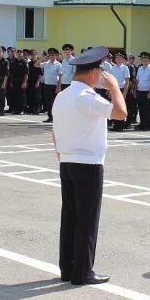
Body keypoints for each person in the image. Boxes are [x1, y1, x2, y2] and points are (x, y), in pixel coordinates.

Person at [52, 46, 128, 285]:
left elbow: (54, 131)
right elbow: (121, 113)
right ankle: (83, 271)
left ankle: (68, 268)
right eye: (101, 71)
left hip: (67, 160)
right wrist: (114, 86)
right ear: (95, 72)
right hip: (88, 164)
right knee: (87, 219)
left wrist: (62, 153)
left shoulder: (62, 96)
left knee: (70, 217)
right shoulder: (87, 97)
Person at [134, 52, 150, 131]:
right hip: (140, 91)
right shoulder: (140, 68)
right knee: (141, 109)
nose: (144, 60)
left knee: (147, 110)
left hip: (147, 91)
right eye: (142, 59)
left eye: (145, 59)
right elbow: (137, 80)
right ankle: (142, 124)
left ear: (149, 60)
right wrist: (135, 90)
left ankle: (147, 125)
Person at [39, 48, 62, 123]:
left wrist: (58, 87)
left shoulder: (58, 64)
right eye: (50, 55)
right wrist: (43, 58)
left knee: (54, 102)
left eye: (53, 55)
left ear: (56, 56)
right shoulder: (46, 63)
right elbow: (35, 65)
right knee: (48, 102)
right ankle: (50, 117)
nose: (52, 56)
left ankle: (55, 117)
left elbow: (60, 76)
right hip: (46, 85)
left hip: (54, 85)